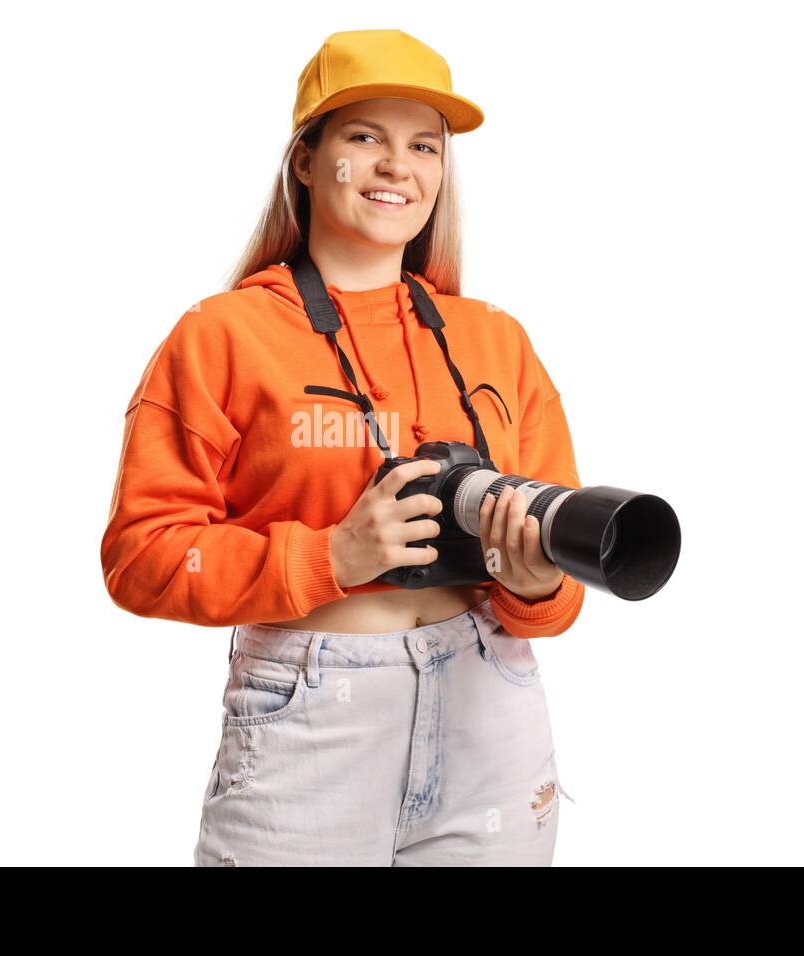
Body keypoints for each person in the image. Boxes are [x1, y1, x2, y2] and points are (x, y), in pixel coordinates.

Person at [101, 30, 583, 866]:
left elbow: (560, 585)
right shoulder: (223, 336)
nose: (399, 166)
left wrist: (533, 582)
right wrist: (330, 555)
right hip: (310, 716)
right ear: (306, 159)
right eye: (365, 137)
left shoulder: (494, 340)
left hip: (492, 704)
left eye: (423, 145)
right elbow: (140, 557)